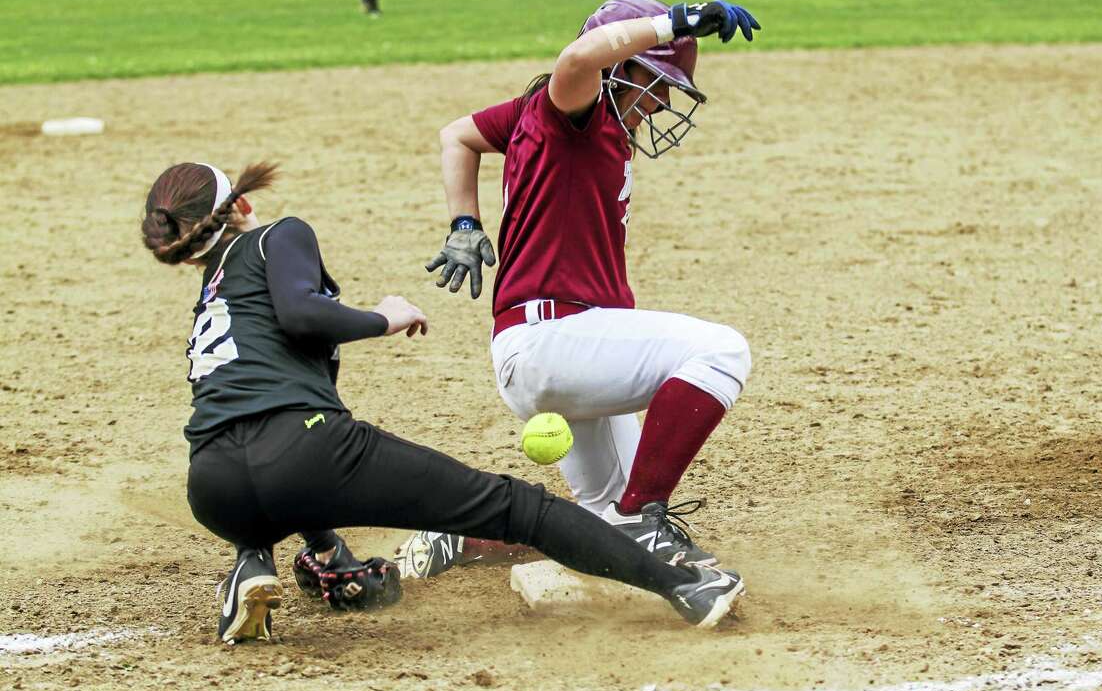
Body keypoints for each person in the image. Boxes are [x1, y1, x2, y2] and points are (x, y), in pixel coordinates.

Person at [139, 161, 745, 644]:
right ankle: (684, 587)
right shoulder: (278, 236)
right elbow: (300, 315)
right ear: (242, 205)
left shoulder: (210, 301)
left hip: (214, 487)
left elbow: (258, 442)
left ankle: (251, 559)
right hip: (307, 449)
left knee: (268, 469)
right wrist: (386, 316)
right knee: (517, 506)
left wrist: (325, 546)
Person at [404, 0, 760, 578]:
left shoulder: (539, 115)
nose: (664, 99)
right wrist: (678, 19)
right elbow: (576, 58)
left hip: (559, 344)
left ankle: (459, 543)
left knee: (601, 526)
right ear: (618, 66)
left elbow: (457, 136)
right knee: (720, 350)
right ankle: (647, 514)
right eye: (655, 78)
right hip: (555, 338)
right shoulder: (571, 110)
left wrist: (465, 224)